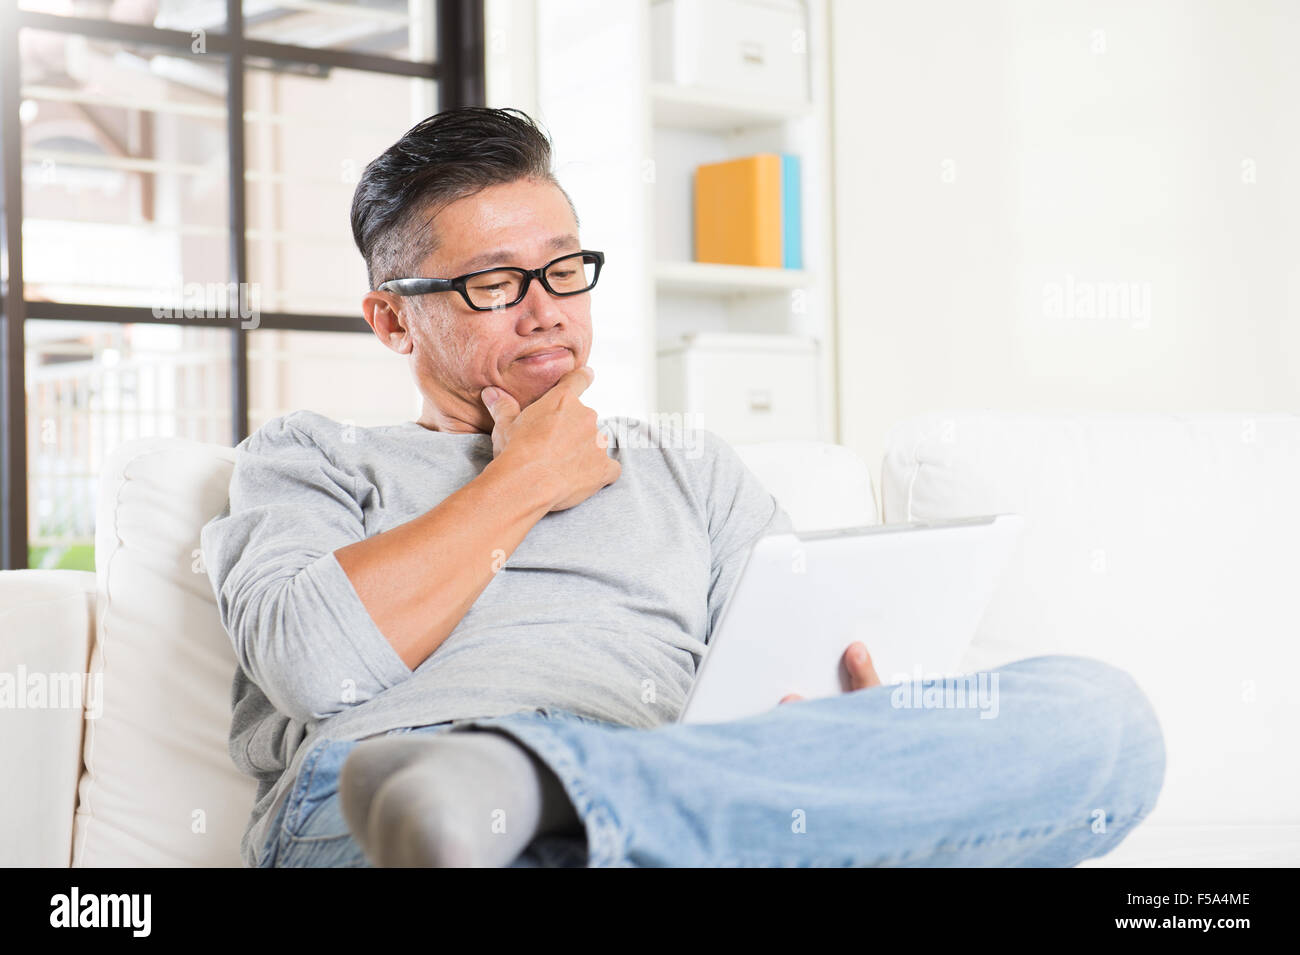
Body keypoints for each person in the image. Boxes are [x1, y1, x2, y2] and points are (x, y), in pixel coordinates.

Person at [199, 107, 1165, 868]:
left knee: (1104, 719)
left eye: (564, 269)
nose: (546, 312)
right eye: (495, 284)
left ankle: (546, 791)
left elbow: (788, 669)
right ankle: (508, 791)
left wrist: (842, 725)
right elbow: (312, 660)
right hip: (389, 795)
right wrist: (525, 475)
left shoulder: (689, 468)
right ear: (393, 322)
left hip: (677, 790)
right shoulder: (307, 455)